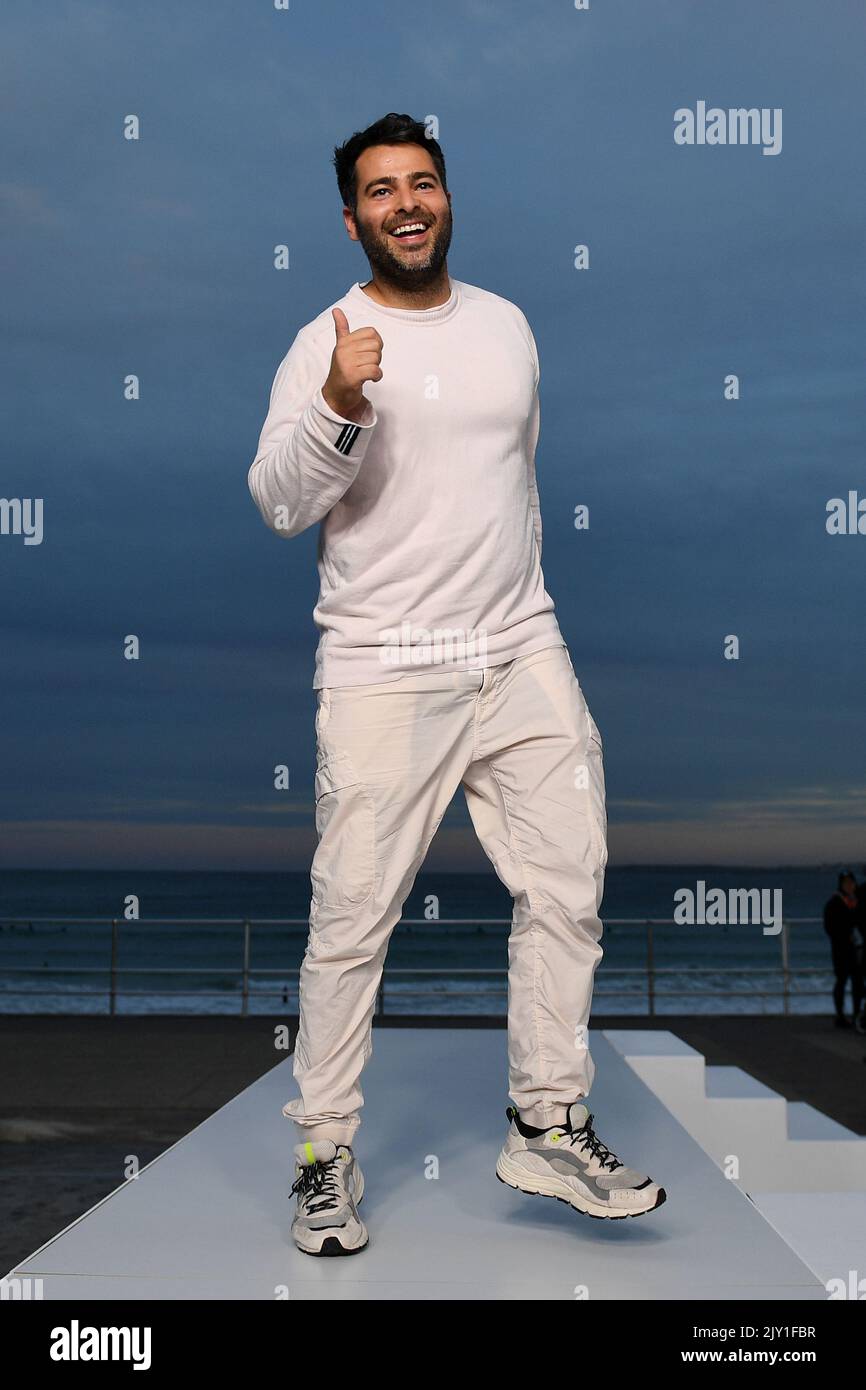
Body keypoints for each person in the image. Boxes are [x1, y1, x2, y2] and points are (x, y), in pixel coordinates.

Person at [248, 112, 666, 1257]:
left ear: (446, 198)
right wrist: (338, 403)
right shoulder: (323, 336)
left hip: (519, 648)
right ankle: (321, 1157)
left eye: (421, 182)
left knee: (568, 879)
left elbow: (507, 486)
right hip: (385, 664)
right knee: (351, 921)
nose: (405, 203)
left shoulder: (508, 328)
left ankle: (542, 1120)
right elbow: (279, 503)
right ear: (352, 219)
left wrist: (516, 616)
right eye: (380, 190)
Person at [823, 871, 864, 1029]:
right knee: (841, 981)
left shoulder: (857, 902)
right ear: (841, 885)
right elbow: (829, 927)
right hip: (841, 950)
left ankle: (856, 1015)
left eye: (851, 883)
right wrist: (845, 937)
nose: (849, 886)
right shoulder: (834, 903)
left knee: (858, 983)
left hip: (857, 949)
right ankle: (840, 1016)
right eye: (846, 883)